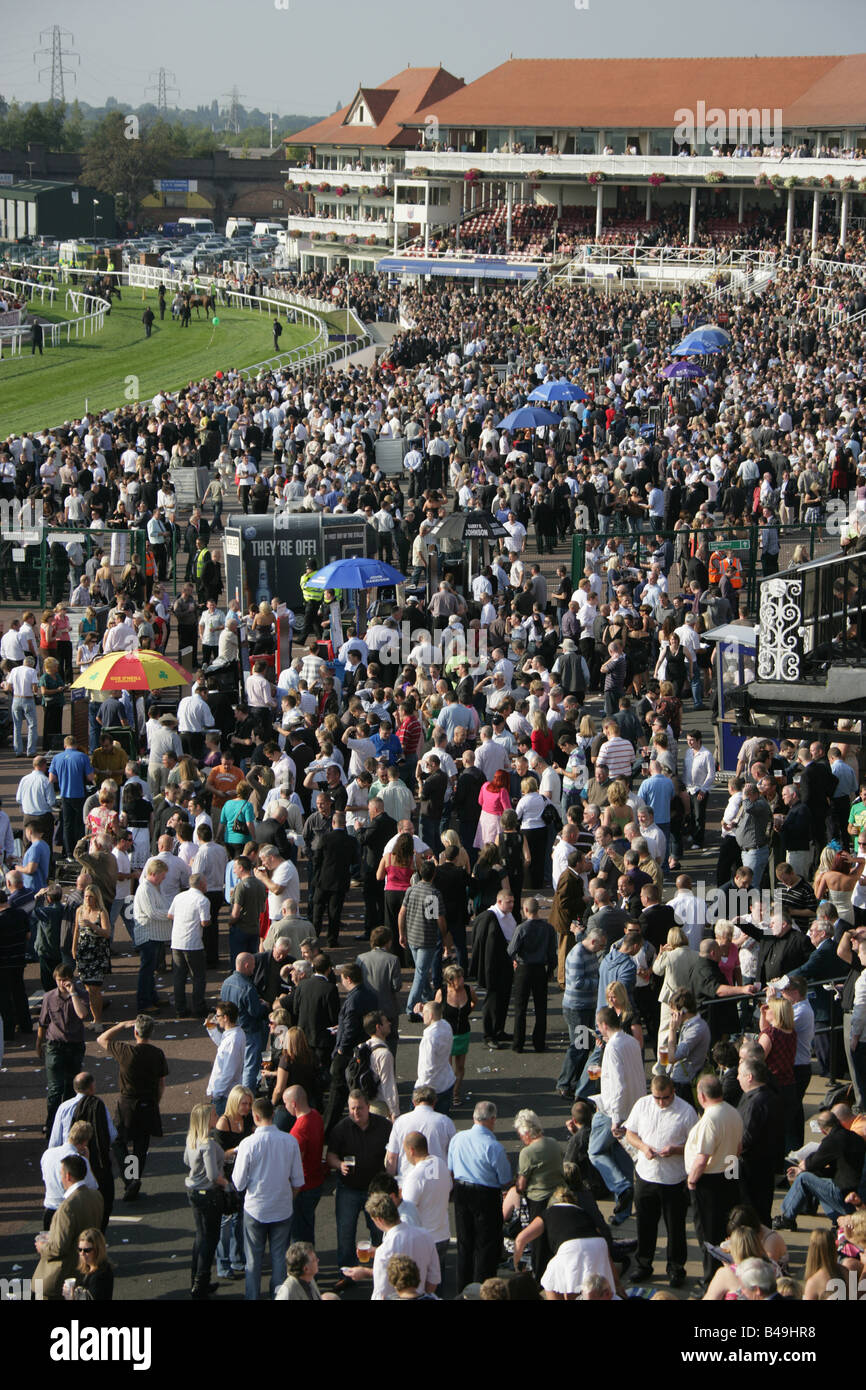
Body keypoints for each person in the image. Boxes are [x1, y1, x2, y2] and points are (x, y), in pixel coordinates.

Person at [624, 1073, 696, 1288]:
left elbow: (695, 1145)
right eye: (657, 1098)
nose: (661, 1102)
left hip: (673, 1179)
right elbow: (630, 1133)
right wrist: (643, 1147)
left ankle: (676, 1268)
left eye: (665, 1098)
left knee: (675, 1227)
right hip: (646, 1175)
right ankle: (643, 1265)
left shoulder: (686, 1111)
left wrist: (675, 1150)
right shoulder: (642, 1105)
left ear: (673, 1091)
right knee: (645, 1224)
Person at [232, 1096, 305, 1301]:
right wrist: (288, 1198)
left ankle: (252, 1297)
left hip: (256, 1208)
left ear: (255, 1117)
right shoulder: (289, 1141)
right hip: (282, 1208)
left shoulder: (247, 1144)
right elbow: (298, 1180)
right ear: (273, 1115)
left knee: (253, 1261)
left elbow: (238, 1183)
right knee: (280, 1259)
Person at [97, 1013, 168, 1202]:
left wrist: (121, 1025)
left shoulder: (126, 1051)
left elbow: (101, 1039)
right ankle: (133, 1178)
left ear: (135, 1032)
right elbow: (161, 1083)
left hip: (127, 1103)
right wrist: (156, 1101)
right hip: (148, 1102)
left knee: (118, 1140)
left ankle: (130, 1179)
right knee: (140, 1144)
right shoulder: (157, 1054)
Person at [327, 1089, 392, 1293]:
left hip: (376, 1191)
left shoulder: (383, 1126)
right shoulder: (341, 1128)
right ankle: (346, 1276)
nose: (356, 1112)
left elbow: (393, 1151)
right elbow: (330, 1156)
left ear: (368, 1107)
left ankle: (381, 1274)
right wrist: (339, 1165)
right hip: (349, 1189)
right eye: (352, 1108)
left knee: (380, 1233)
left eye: (360, 1108)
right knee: (345, 1234)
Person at [587, 1006, 646, 1226]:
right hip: (633, 1109)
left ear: (604, 1025)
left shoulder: (612, 1048)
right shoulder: (631, 1041)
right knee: (623, 1158)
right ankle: (623, 1211)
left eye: (598, 1025)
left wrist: (615, 1119)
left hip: (613, 1110)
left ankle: (621, 1188)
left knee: (595, 1151)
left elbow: (619, 1085)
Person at [685, 1073, 745, 1287]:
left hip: (708, 1182)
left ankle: (710, 1278)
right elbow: (738, 1148)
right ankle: (727, 1271)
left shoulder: (710, 1119)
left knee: (708, 1232)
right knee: (724, 1229)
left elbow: (702, 1158)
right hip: (728, 1175)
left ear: (701, 1096)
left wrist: (692, 1180)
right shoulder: (733, 1112)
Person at [447, 1099, 512, 1291]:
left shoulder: (458, 1139)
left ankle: (463, 1289)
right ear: (492, 1119)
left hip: (461, 1191)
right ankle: (484, 1290)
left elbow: (451, 1168)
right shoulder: (494, 1146)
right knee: (486, 1246)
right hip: (486, 1196)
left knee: (464, 1244)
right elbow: (505, 1179)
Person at [774, 1108, 866, 1230]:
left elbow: (812, 1163)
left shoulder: (832, 1140)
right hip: (855, 1196)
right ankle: (837, 1220)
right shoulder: (855, 1137)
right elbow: (838, 1169)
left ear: (823, 1130)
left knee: (803, 1178)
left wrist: (801, 1169)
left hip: (843, 1194)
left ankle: (787, 1218)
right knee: (817, 1179)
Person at [33, 1154, 104, 1300]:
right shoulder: (96, 1196)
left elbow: (59, 1247)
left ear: (68, 1176)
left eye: (61, 1173)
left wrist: (42, 1247)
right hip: (84, 1269)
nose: (60, 1177)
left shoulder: (67, 1207)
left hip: (61, 1276)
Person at [37, 964, 89, 1138]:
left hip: (75, 1046)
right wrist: (39, 1043)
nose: (62, 983)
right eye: (59, 980)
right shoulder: (49, 997)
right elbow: (43, 1023)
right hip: (55, 1046)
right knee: (55, 1088)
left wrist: (73, 993)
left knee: (70, 1088)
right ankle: (50, 1123)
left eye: (65, 980)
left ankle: (66, 1124)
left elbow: (82, 1014)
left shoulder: (81, 994)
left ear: (71, 979)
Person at [183, 1101, 229, 1299]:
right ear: (205, 1119)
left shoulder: (191, 1139)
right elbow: (213, 1175)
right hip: (209, 1195)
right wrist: (227, 1184)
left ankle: (196, 1280)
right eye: (214, 1114)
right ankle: (201, 1284)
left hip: (193, 1191)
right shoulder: (208, 1145)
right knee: (210, 1239)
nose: (217, 1116)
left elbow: (186, 1160)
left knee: (200, 1236)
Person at [507, 897, 557, 1053]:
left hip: (524, 969)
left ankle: (518, 1043)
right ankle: (539, 1042)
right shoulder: (548, 929)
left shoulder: (522, 928)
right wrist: (550, 971)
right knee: (541, 1008)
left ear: (526, 910)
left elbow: (511, 950)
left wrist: (515, 960)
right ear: (538, 909)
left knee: (520, 1008)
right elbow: (552, 954)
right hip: (540, 969)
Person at [469, 888, 517, 1045]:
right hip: (493, 967)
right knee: (492, 1002)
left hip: (505, 965)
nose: (512, 905)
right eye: (509, 902)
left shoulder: (508, 916)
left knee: (504, 999)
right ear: (499, 902)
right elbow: (483, 946)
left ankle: (499, 1030)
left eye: (513, 902)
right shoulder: (489, 917)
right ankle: (489, 1035)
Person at [221, 952, 270, 1092]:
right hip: (249, 1030)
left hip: (231, 1029)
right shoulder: (247, 987)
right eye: (253, 966)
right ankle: (247, 1096)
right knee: (250, 1066)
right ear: (247, 965)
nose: (254, 969)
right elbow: (255, 1012)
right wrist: (265, 1006)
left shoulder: (226, 983)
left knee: (236, 1065)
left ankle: (237, 1095)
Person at [169, 873, 210, 1019]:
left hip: (177, 941)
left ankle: (180, 1008)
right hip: (193, 943)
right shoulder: (203, 900)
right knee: (198, 976)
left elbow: (170, 915)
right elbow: (205, 922)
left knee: (179, 976)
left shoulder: (179, 897)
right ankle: (199, 1007)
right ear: (201, 884)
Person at [71, 885, 111, 1028]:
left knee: (95, 988)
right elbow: (76, 930)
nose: (88, 899)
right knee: (88, 988)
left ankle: (98, 1020)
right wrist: (73, 948)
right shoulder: (79, 911)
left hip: (97, 954)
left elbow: (107, 933)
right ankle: (95, 1018)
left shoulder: (101, 913)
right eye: (86, 896)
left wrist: (91, 925)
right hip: (83, 954)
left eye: (91, 897)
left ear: (96, 898)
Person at [204, 1000, 245, 1117]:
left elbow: (229, 1071)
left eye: (218, 1016)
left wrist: (217, 1093)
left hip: (224, 1095)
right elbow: (222, 1044)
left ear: (225, 1017)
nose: (216, 1019)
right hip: (226, 1093)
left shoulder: (233, 1040)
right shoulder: (234, 1034)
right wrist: (212, 1029)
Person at [414, 999, 455, 1115]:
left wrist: (420, 1087)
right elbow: (434, 1019)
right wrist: (423, 1011)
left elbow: (427, 1066)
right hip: (446, 1081)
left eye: (424, 1014)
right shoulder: (446, 1025)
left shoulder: (429, 1038)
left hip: (431, 1087)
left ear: (430, 1015)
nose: (423, 1016)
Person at [68, 1227, 114, 1301]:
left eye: (87, 1250)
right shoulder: (91, 1268)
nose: (82, 1253)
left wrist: (72, 1295)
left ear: (98, 1250)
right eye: (80, 1249)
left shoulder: (99, 1276)